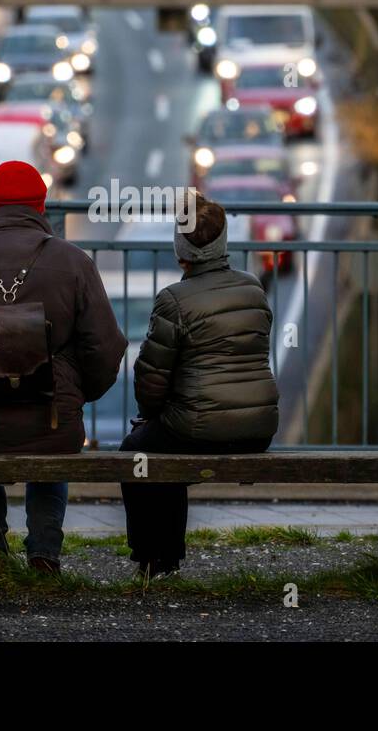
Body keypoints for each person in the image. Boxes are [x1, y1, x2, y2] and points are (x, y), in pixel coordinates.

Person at [0, 160, 127, 575]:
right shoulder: (74, 263)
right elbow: (105, 348)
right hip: (53, 421)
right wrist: (74, 394)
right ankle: (44, 555)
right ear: (41, 206)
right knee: (51, 457)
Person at [122, 192, 279, 577]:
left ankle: (154, 558)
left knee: (138, 452)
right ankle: (165, 557)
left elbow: (151, 379)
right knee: (166, 439)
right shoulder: (254, 288)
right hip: (259, 428)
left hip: (197, 430)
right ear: (223, 243)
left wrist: (149, 416)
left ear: (181, 251)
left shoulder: (174, 300)